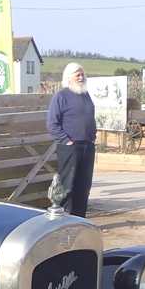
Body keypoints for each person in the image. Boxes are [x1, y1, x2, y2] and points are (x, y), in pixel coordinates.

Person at [46, 62, 96, 217]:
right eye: (78, 75)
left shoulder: (85, 95)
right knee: (68, 186)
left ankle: (79, 219)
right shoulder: (61, 96)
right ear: (69, 77)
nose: (81, 77)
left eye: (82, 74)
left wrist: (92, 138)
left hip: (87, 147)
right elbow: (52, 124)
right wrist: (67, 141)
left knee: (84, 186)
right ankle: (63, 219)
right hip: (70, 147)